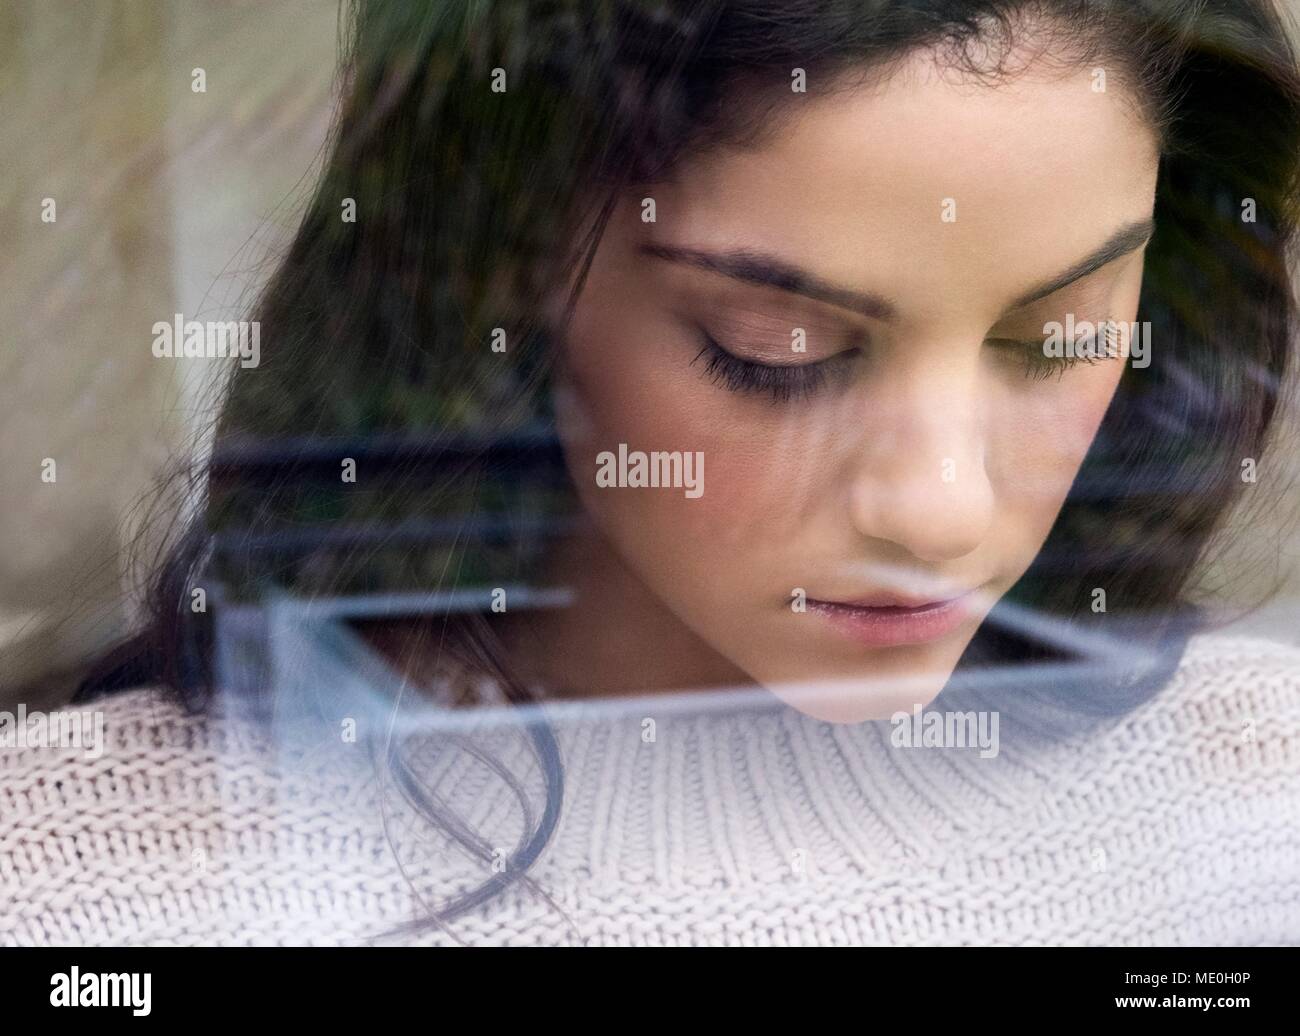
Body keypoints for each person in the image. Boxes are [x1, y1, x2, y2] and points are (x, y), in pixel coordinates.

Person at [10, 0, 1300, 946]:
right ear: (493, 283)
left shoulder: (1262, 801)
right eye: (776, 353)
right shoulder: (77, 892)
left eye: (1059, 340)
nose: (942, 506)